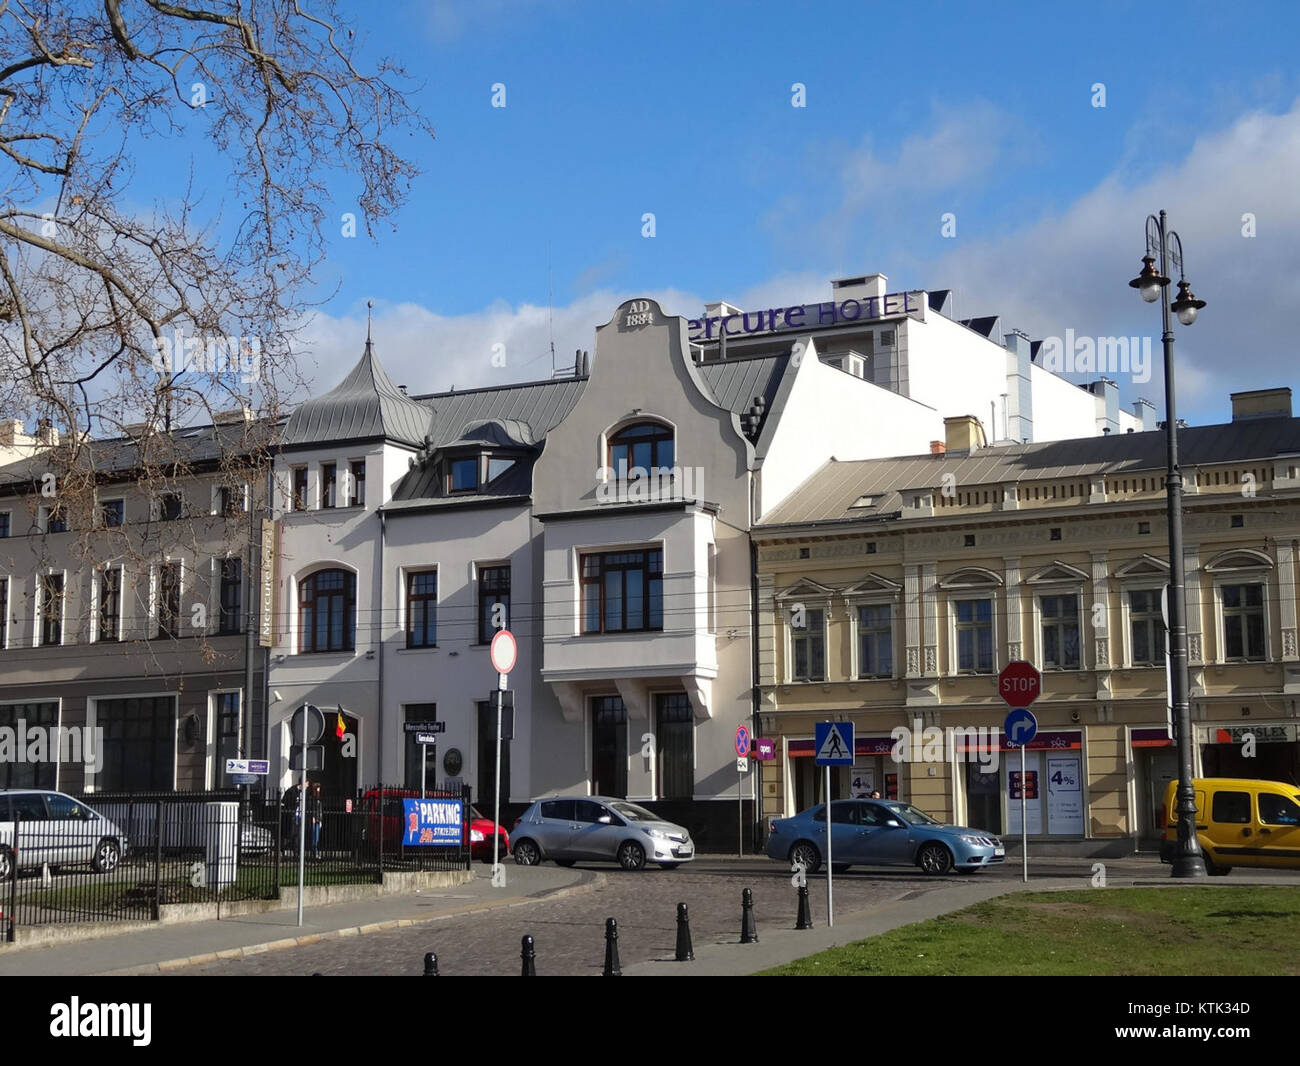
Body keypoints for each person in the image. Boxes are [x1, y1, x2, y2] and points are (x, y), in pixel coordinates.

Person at [309, 782, 324, 860]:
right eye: (318, 789)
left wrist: (320, 819)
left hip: (318, 819)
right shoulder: (313, 798)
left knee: (317, 837)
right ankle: (315, 852)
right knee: (314, 837)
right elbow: (312, 808)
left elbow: (320, 810)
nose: (319, 790)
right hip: (315, 819)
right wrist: (313, 817)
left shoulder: (319, 799)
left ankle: (316, 852)